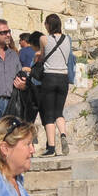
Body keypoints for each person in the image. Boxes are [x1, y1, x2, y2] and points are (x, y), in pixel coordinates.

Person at [34, 15, 74, 158]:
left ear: (48, 25)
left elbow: (43, 56)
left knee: (49, 114)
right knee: (59, 112)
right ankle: (63, 134)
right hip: (63, 78)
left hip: (49, 77)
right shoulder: (68, 39)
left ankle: (51, 148)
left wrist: (38, 56)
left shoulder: (43, 39)